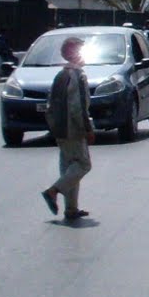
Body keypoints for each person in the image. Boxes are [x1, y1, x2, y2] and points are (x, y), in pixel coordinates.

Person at [40, 36, 93, 223]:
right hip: (73, 129)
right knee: (83, 165)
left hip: (60, 128)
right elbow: (78, 107)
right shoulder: (76, 76)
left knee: (70, 167)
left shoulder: (61, 75)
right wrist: (87, 128)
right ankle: (53, 191)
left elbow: (50, 105)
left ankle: (71, 208)